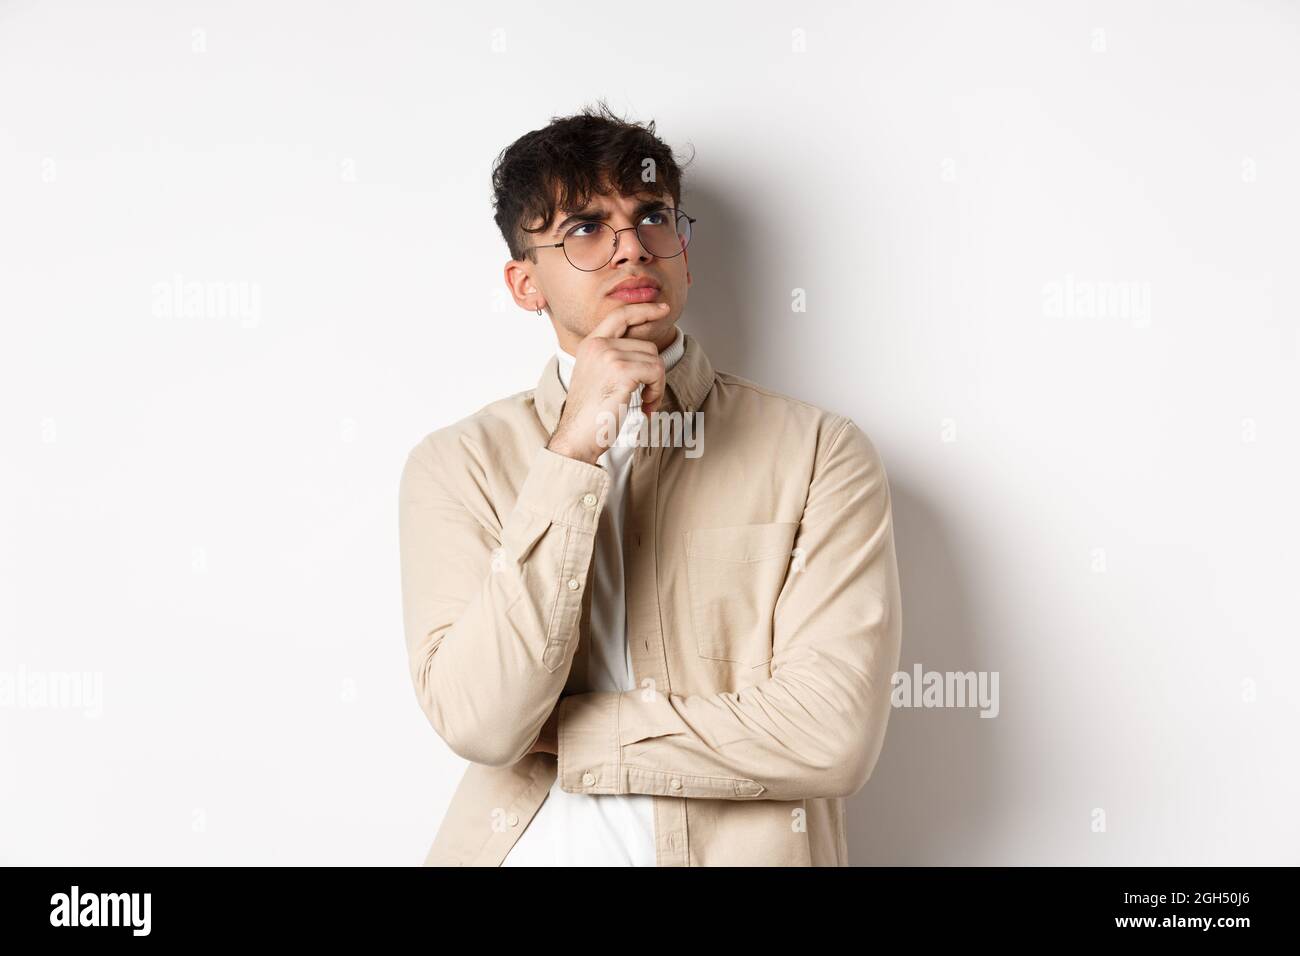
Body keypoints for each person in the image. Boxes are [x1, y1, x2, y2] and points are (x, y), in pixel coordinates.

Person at [398, 100, 902, 866]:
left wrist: (566, 736)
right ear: (524, 283)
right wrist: (572, 451)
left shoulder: (817, 453)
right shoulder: (456, 464)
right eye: (585, 229)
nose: (632, 249)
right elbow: (482, 722)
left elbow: (832, 738)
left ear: (685, 255)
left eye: (652, 218)